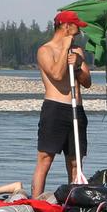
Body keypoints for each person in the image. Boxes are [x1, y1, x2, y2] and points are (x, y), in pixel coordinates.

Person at [31, 10, 92, 198]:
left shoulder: (78, 51)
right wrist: (65, 49)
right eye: (76, 28)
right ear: (65, 27)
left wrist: (78, 65)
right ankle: (35, 203)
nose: (78, 33)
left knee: (75, 162)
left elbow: (87, 82)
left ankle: (73, 201)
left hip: (76, 110)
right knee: (45, 158)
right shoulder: (45, 50)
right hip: (54, 108)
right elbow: (57, 75)